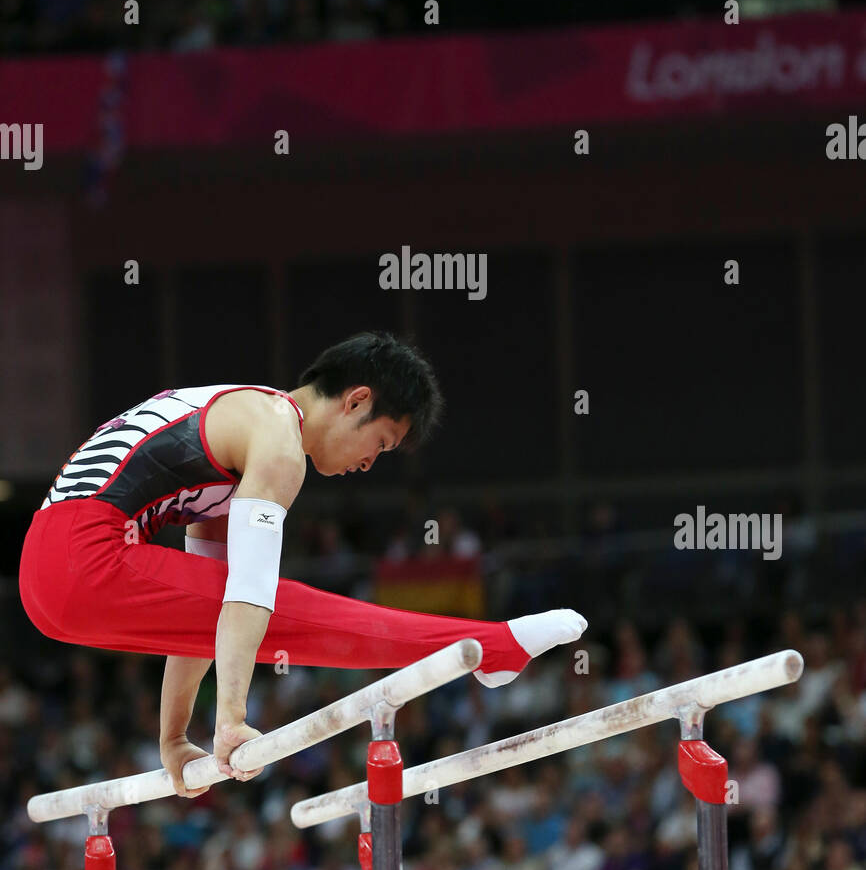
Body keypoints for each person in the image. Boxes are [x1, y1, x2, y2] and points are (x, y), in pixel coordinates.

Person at [19, 332, 586, 798]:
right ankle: (491, 647)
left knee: (234, 605)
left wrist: (173, 738)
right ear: (356, 400)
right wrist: (231, 719)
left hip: (47, 579)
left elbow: (200, 616)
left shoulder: (236, 433)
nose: (369, 464)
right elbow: (250, 593)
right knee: (293, 609)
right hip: (80, 556)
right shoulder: (277, 440)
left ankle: (489, 648)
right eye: (381, 444)